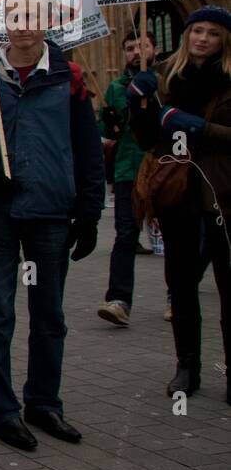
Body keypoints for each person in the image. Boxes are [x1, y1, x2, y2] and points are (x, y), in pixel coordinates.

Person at [0, 0, 104, 452]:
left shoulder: (71, 76)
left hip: (48, 212)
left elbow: (87, 148)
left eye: (32, 15)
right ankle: (2, 410)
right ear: (5, 20)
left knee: (49, 316)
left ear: (47, 20)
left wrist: (89, 210)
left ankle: (44, 403)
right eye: (15, 15)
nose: (23, 25)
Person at [129, 6, 231, 402]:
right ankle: (187, 366)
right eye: (197, 31)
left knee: (228, 285)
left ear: (224, 40)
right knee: (182, 286)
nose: (203, 38)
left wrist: (199, 128)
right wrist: (139, 105)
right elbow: (147, 140)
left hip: (224, 195)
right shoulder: (164, 79)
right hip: (179, 194)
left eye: (213, 33)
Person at [97, 27, 158, 327]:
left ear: (154, 50)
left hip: (164, 168)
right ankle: (118, 300)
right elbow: (108, 134)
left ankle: (177, 298)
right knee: (125, 236)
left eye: (142, 46)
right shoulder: (115, 88)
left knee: (177, 237)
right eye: (130, 47)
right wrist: (107, 125)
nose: (136, 52)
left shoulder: (167, 82)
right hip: (127, 171)